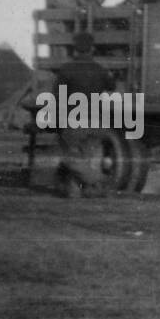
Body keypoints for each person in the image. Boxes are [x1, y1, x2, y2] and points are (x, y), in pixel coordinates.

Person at [53, 31, 117, 196]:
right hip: (97, 123)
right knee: (86, 158)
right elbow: (112, 86)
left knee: (71, 158)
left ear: (75, 50)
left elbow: (57, 95)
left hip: (75, 122)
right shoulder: (100, 70)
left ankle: (99, 181)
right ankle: (75, 193)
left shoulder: (66, 69)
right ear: (92, 49)